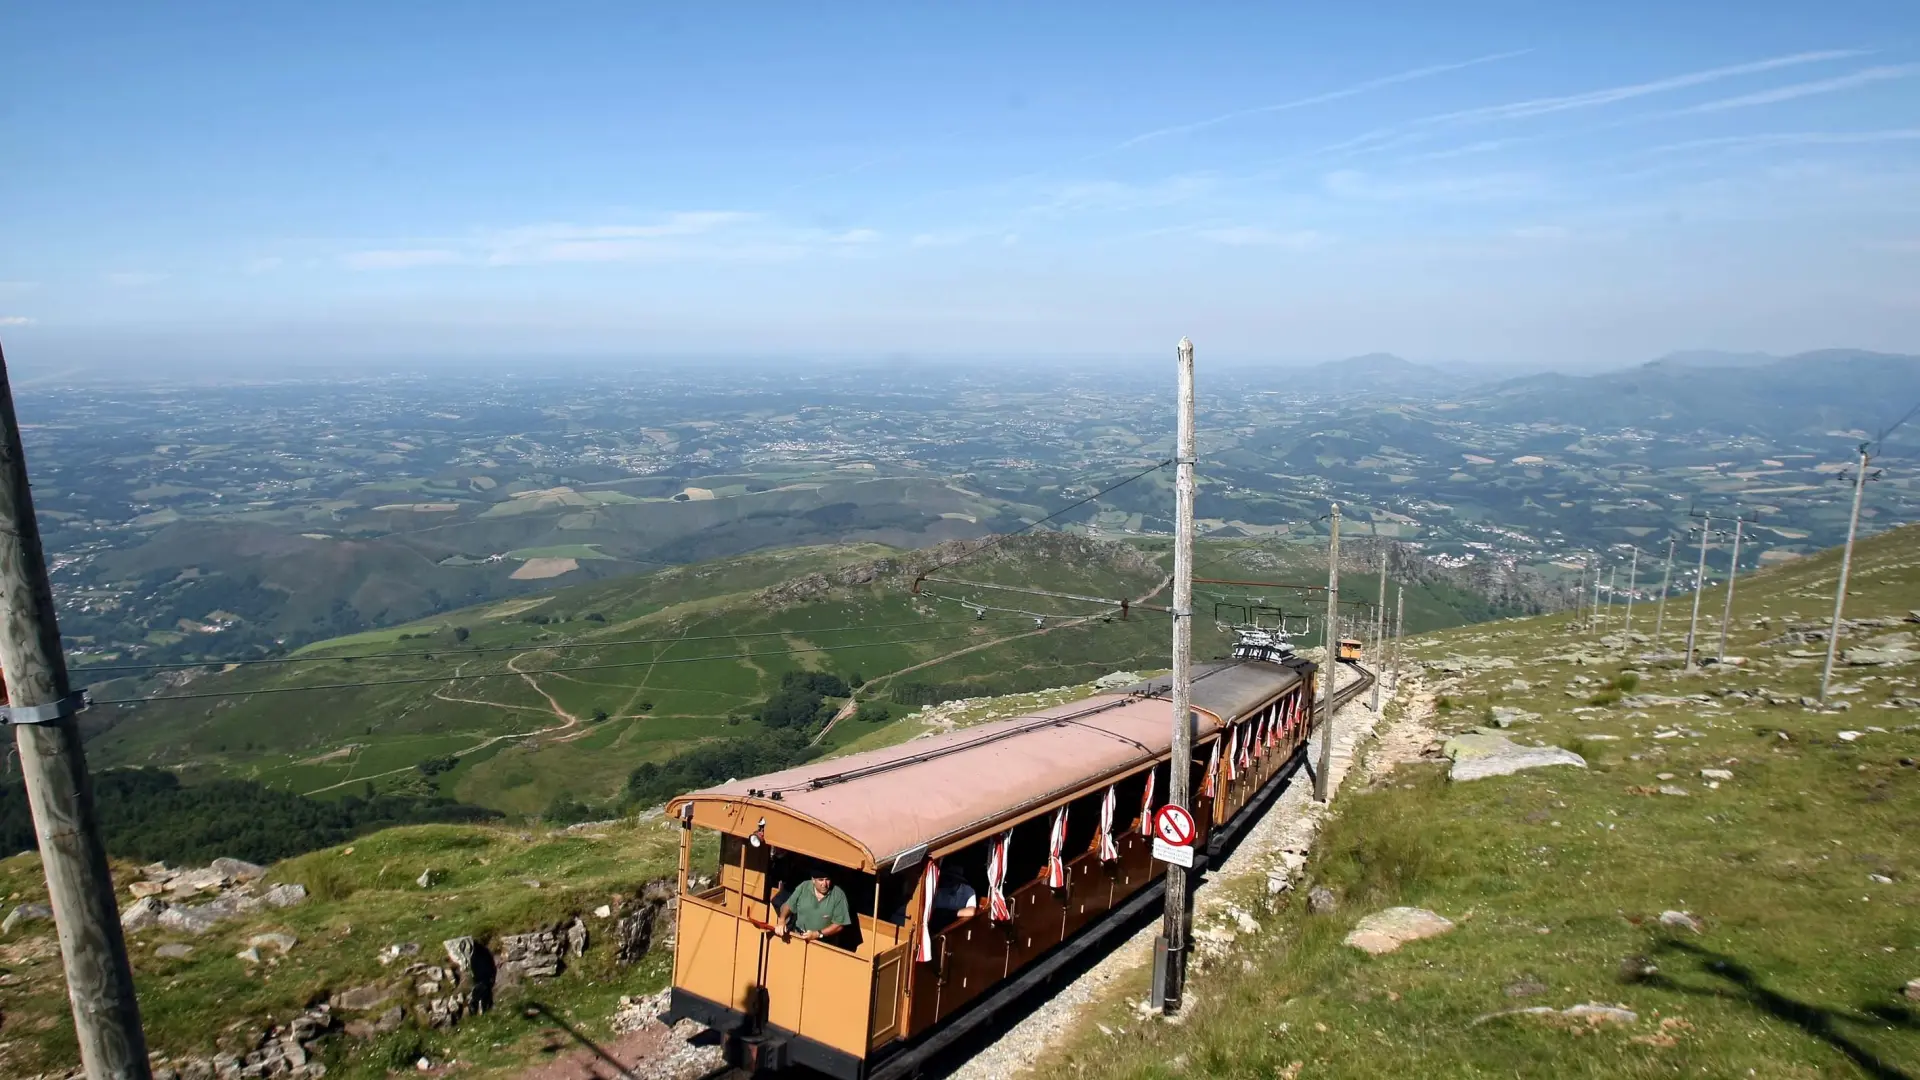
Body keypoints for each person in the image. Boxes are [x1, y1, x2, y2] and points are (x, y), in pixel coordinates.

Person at [778, 863, 850, 944]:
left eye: (827, 879)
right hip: (798, 936)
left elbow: (839, 924)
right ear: (813, 880)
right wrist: (782, 919)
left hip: (824, 942)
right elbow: (789, 905)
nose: (825, 884)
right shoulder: (804, 886)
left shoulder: (838, 895)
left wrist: (817, 934)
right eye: (821, 880)